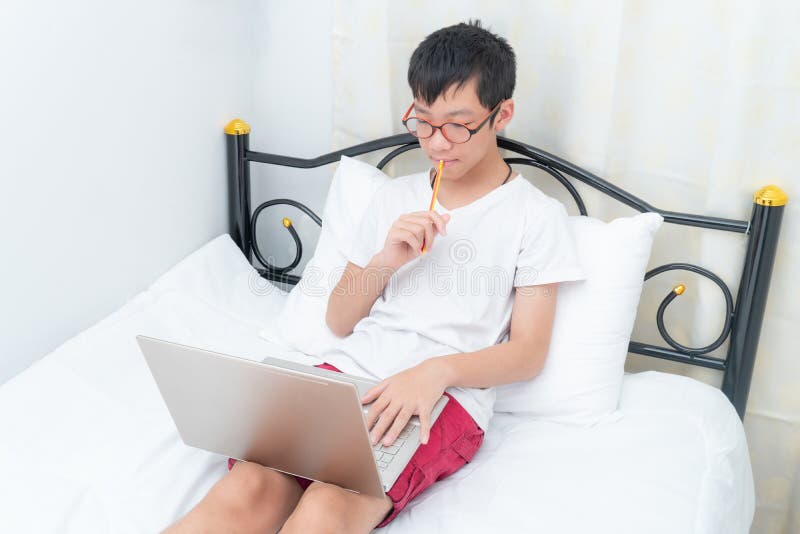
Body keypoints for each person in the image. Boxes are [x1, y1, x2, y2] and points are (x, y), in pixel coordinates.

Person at [166, 20, 584, 533]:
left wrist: (436, 372)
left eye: (457, 125)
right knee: (249, 484)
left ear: (502, 116)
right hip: (345, 374)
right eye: (423, 122)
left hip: (442, 398)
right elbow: (339, 319)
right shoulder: (394, 197)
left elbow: (528, 353)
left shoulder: (535, 216)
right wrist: (386, 258)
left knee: (331, 500)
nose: (436, 143)